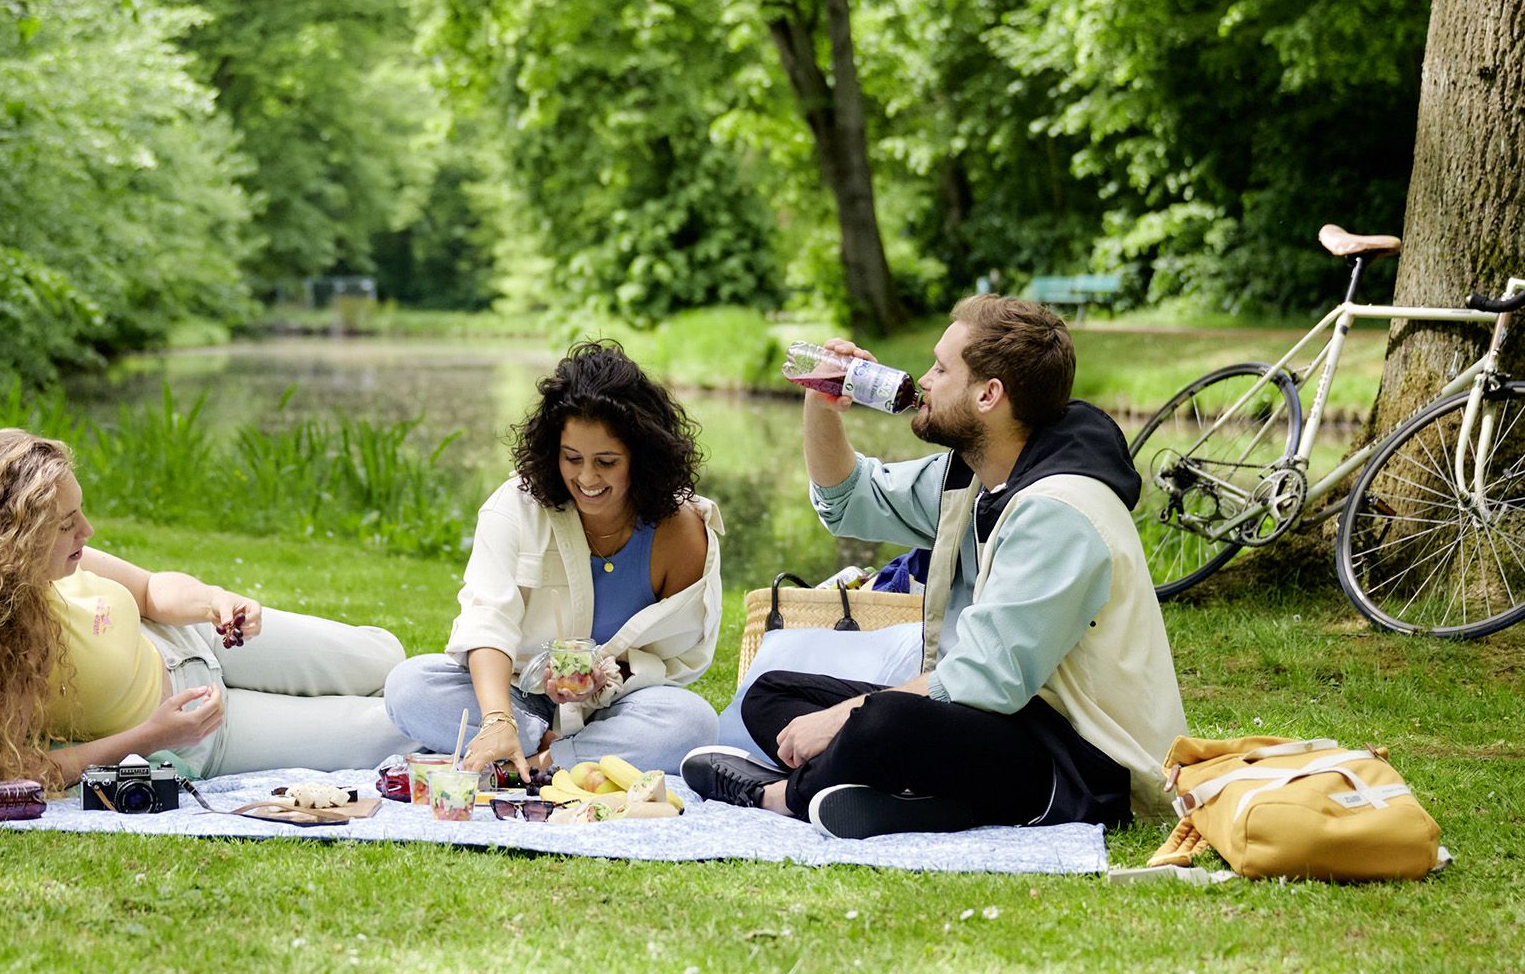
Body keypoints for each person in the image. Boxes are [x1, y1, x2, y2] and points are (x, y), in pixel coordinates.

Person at [682, 295, 1188, 838]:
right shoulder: (972, 474)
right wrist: (822, 405)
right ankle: (919, 801)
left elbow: (984, 679)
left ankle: (779, 796)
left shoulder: (1060, 511)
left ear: (988, 395)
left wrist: (843, 719)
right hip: (996, 725)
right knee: (772, 693)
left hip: (1087, 767)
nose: (922, 379)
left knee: (882, 720)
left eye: (941, 368)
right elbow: (849, 502)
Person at [0, 428, 416, 790]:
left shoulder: (67, 560)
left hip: (198, 641)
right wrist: (153, 738)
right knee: (392, 730)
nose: (87, 532)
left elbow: (148, 592)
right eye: (65, 524)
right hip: (196, 732)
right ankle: (495, 717)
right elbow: (13, 774)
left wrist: (214, 601)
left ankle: (493, 682)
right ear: (13, 543)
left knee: (385, 657)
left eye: (80, 512)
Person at [384, 341, 723, 776]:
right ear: (553, 451)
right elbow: (488, 619)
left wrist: (604, 678)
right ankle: (525, 745)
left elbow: (679, 655)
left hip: (621, 707)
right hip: (521, 702)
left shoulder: (681, 529)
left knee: (692, 722)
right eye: (572, 458)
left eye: (606, 461)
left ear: (642, 457)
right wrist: (498, 718)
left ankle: (546, 762)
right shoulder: (515, 506)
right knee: (409, 687)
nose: (586, 478)